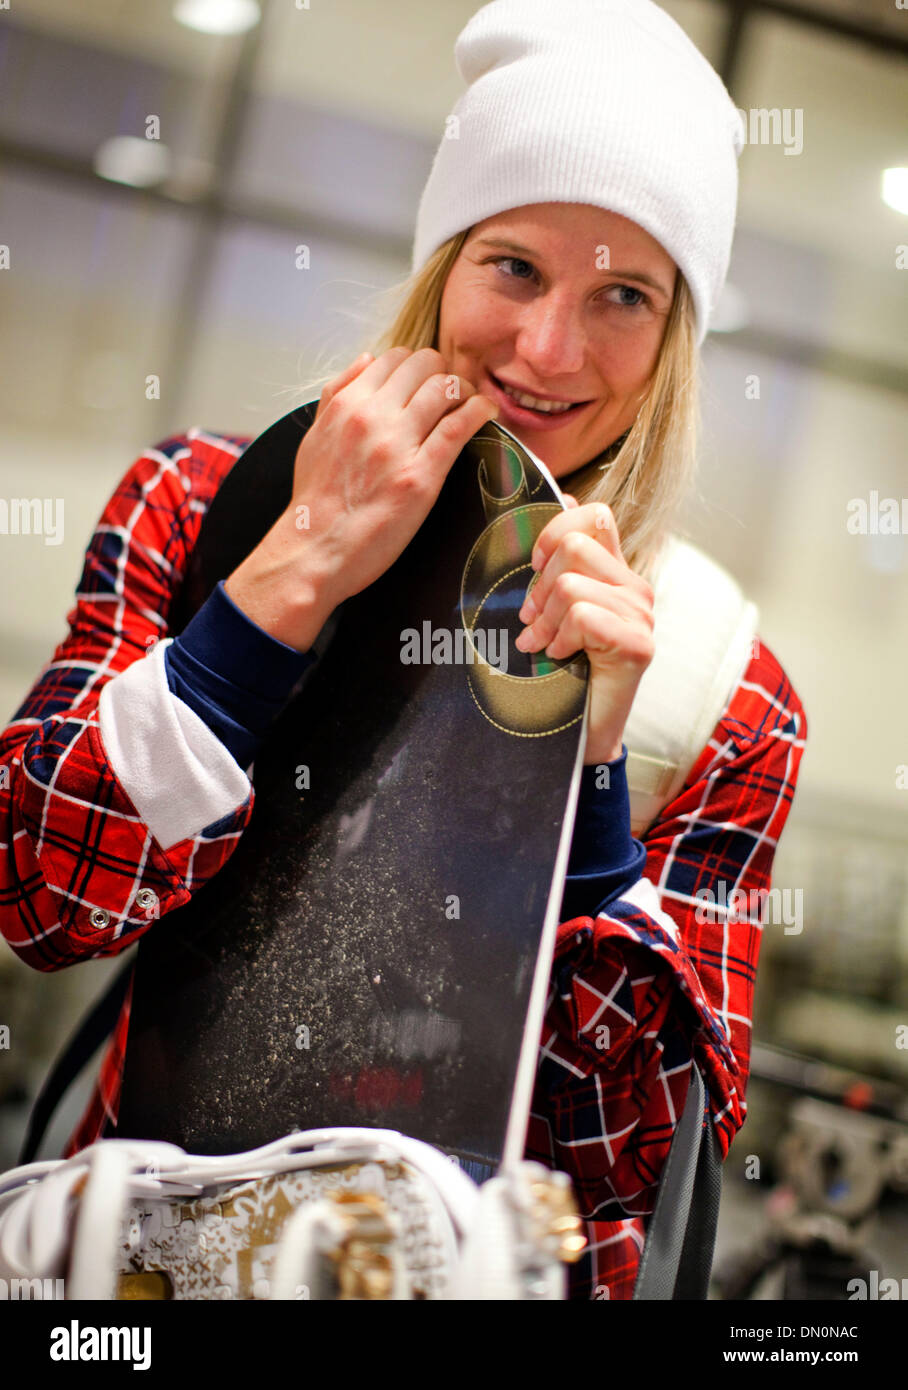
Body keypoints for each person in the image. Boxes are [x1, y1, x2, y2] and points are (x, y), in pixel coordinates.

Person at [0, 0, 806, 1300]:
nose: (550, 350)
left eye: (625, 294)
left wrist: (592, 783)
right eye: (515, 268)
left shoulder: (729, 688)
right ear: (443, 263)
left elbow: (627, 1161)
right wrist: (292, 574)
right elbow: (34, 893)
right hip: (130, 1275)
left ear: (674, 344)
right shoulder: (207, 504)